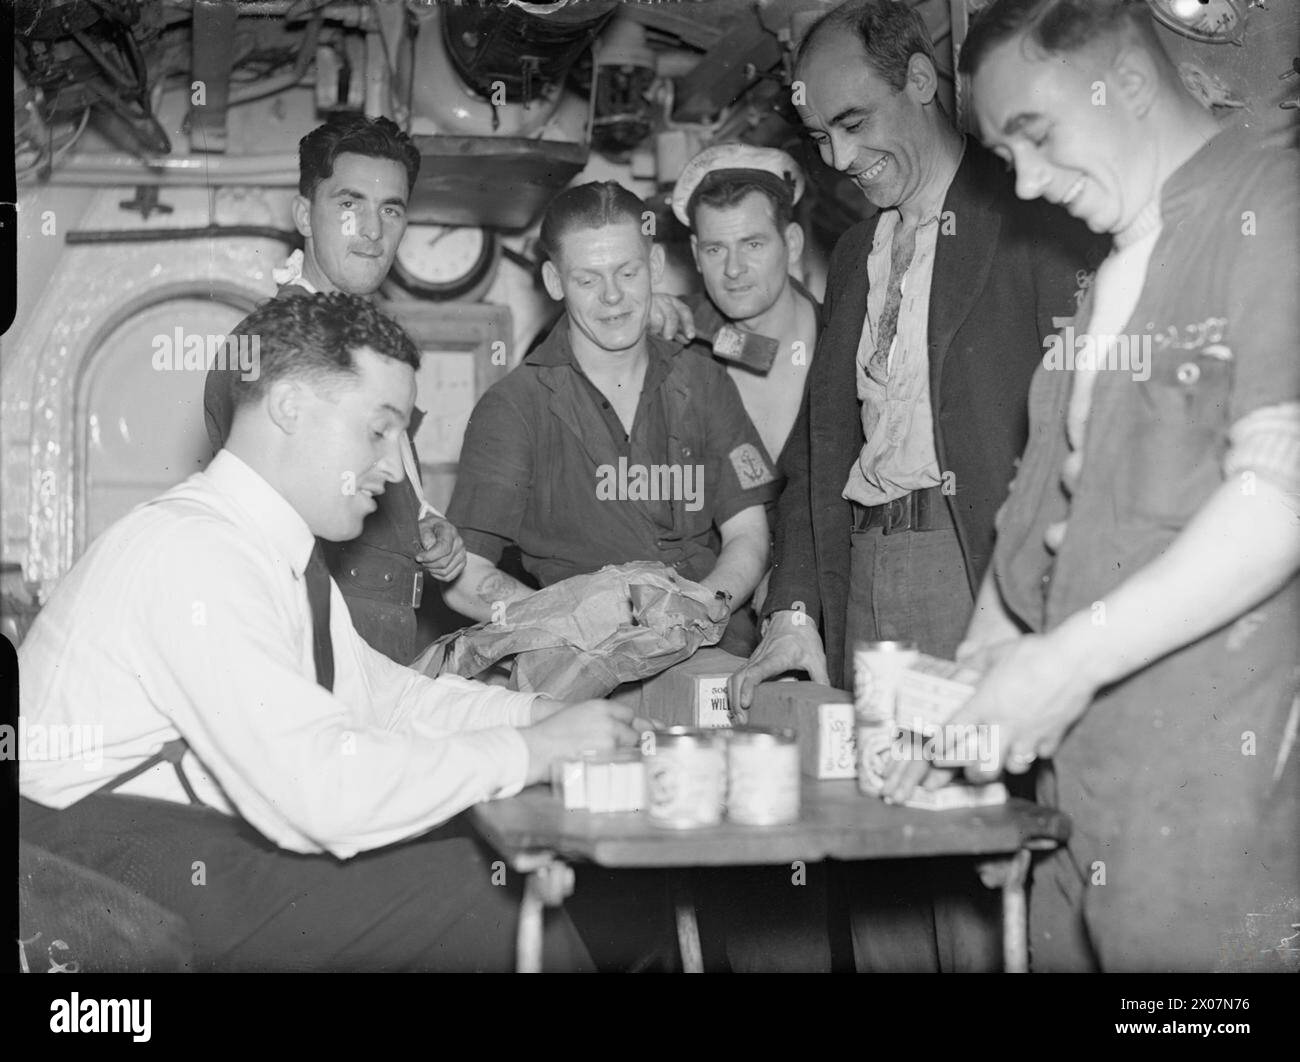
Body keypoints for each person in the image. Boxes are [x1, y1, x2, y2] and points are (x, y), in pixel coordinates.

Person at [19, 292, 642, 972]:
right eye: (378, 431)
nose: (394, 466)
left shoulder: (266, 550)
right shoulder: (192, 552)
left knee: (467, 861)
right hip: (89, 881)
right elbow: (321, 791)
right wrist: (530, 753)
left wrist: (538, 717)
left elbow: (391, 701)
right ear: (289, 407)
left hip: (166, 847)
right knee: (481, 895)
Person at [884, 0, 1299, 973]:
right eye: (1005, 156)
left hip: (1219, 797)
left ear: (1130, 81)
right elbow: (1038, 516)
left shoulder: (1271, 210)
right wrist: (974, 687)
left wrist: (1062, 667)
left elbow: (1281, 492)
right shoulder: (1109, 280)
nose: (1028, 182)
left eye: (1038, 137)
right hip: (1086, 789)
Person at [727, 0, 1107, 972]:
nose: (839, 158)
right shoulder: (857, 253)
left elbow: (1084, 432)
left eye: (853, 123)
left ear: (921, 80)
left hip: (973, 572)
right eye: (820, 137)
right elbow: (818, 450)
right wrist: (797, 609)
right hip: (867, 578)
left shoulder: (1032, 213)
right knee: (880, 871)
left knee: (977, 869)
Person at [443, 180, 778, 655]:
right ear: (555, 282)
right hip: (586, 666)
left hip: (719, 651)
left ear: (654, 266)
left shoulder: (704, 381)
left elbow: (748, 531)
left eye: (627, 272)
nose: (613, 297)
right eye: (588, 280)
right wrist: (584, 626)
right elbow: (465, 580)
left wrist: (704, 606)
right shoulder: (515, 407)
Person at [205, 114, 465, 665]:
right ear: (305, 215)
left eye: (390, 209)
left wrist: (423, 522)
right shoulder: (269, 346)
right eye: (350, 204)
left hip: (384, 643)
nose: (371, 230)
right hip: (314, 640)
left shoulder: (372, 348)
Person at [670, 144, 821, 467]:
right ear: (696, 254)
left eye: (752, 244)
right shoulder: (678, 341)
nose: (733, 269)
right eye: (715, 250)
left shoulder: (849, 341)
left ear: (792, 244)